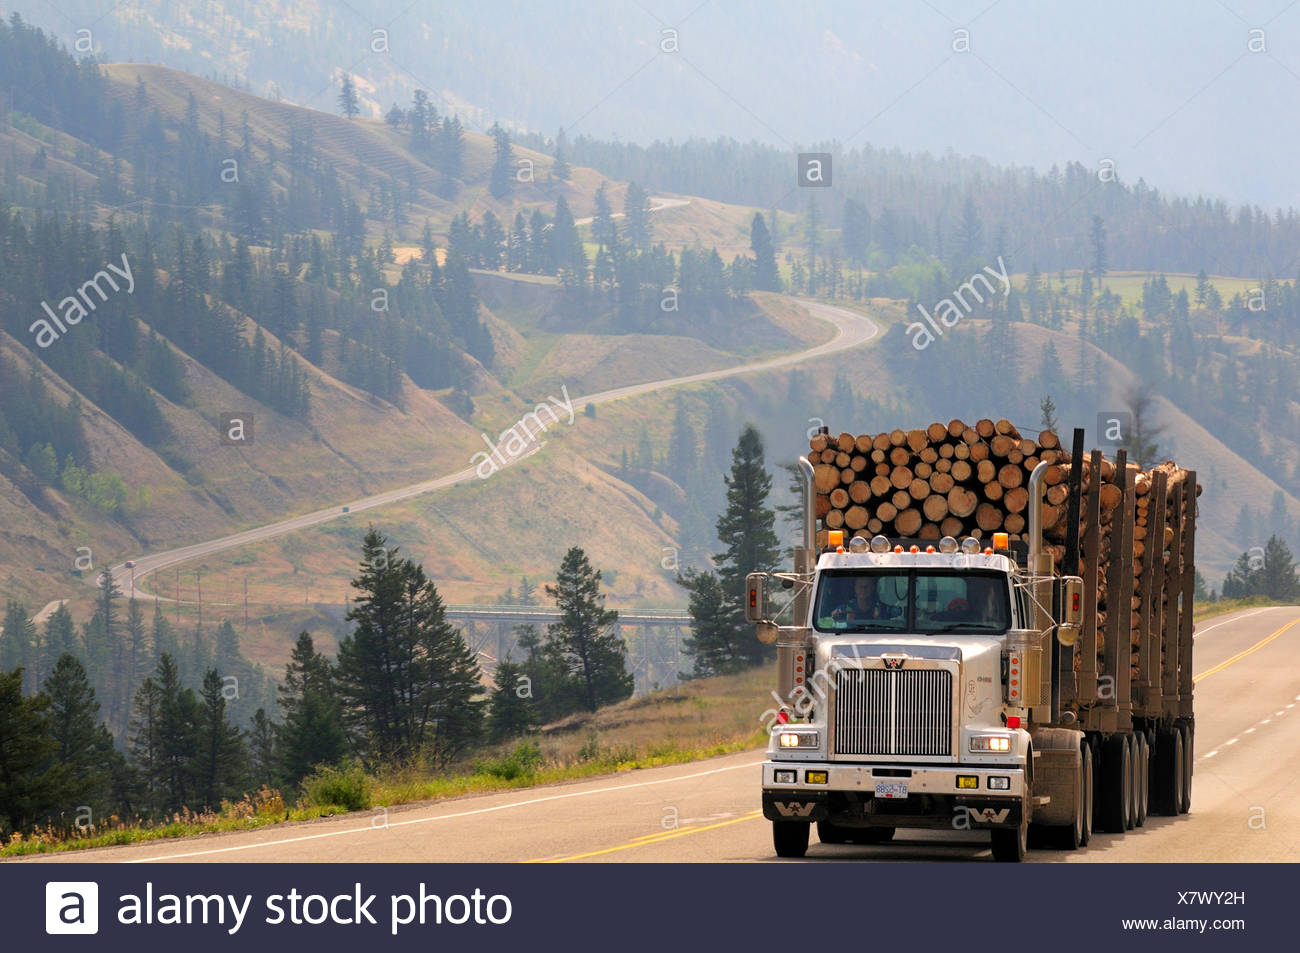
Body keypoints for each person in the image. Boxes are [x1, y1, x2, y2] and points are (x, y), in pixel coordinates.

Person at [831, 575, 899, 622]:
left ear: (873, 588)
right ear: (855, 588)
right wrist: (834, 616)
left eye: (866, 586)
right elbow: (831, 621)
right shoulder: (843, 609)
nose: (863, 589)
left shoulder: (883, 609)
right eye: (860, 586)